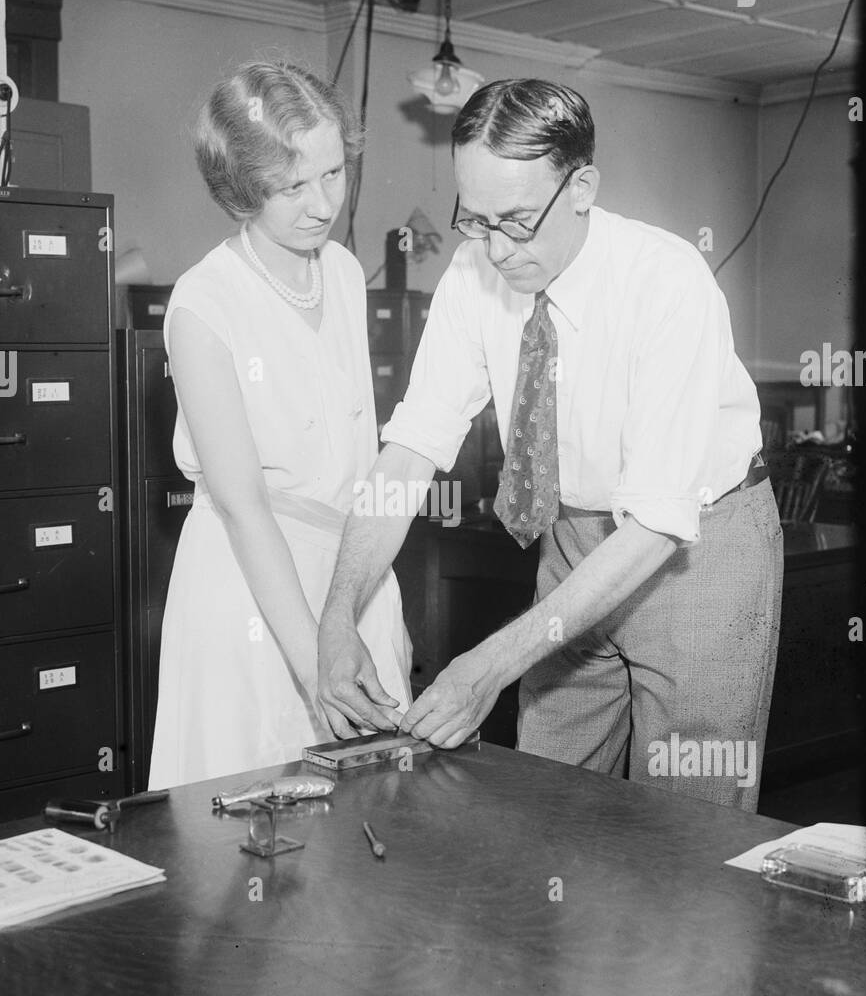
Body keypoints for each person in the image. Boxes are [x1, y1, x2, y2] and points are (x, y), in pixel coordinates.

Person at [317, 78, 783, 811]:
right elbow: (406, 454)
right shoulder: (472, 273)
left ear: (581, 187)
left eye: (517, 221)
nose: (496, 249)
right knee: (542, 801)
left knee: (687, 824)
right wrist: (337, 614)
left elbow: (659, 522)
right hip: (572, 538)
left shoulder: (666, 282)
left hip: (695, 549)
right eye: (475, 220)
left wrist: (490, 664)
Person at [148, 62, 412, 789]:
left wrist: (369, 612)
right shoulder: (206, 305)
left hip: (350, 575)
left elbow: (357, 462)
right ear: (239, 189)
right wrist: (313, 661)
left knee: (371, 814)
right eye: (292, 186)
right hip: (249, 583)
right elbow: (242, 505)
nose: (322, 203)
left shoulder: (345, 274)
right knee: (251, 822)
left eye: (333, 174)